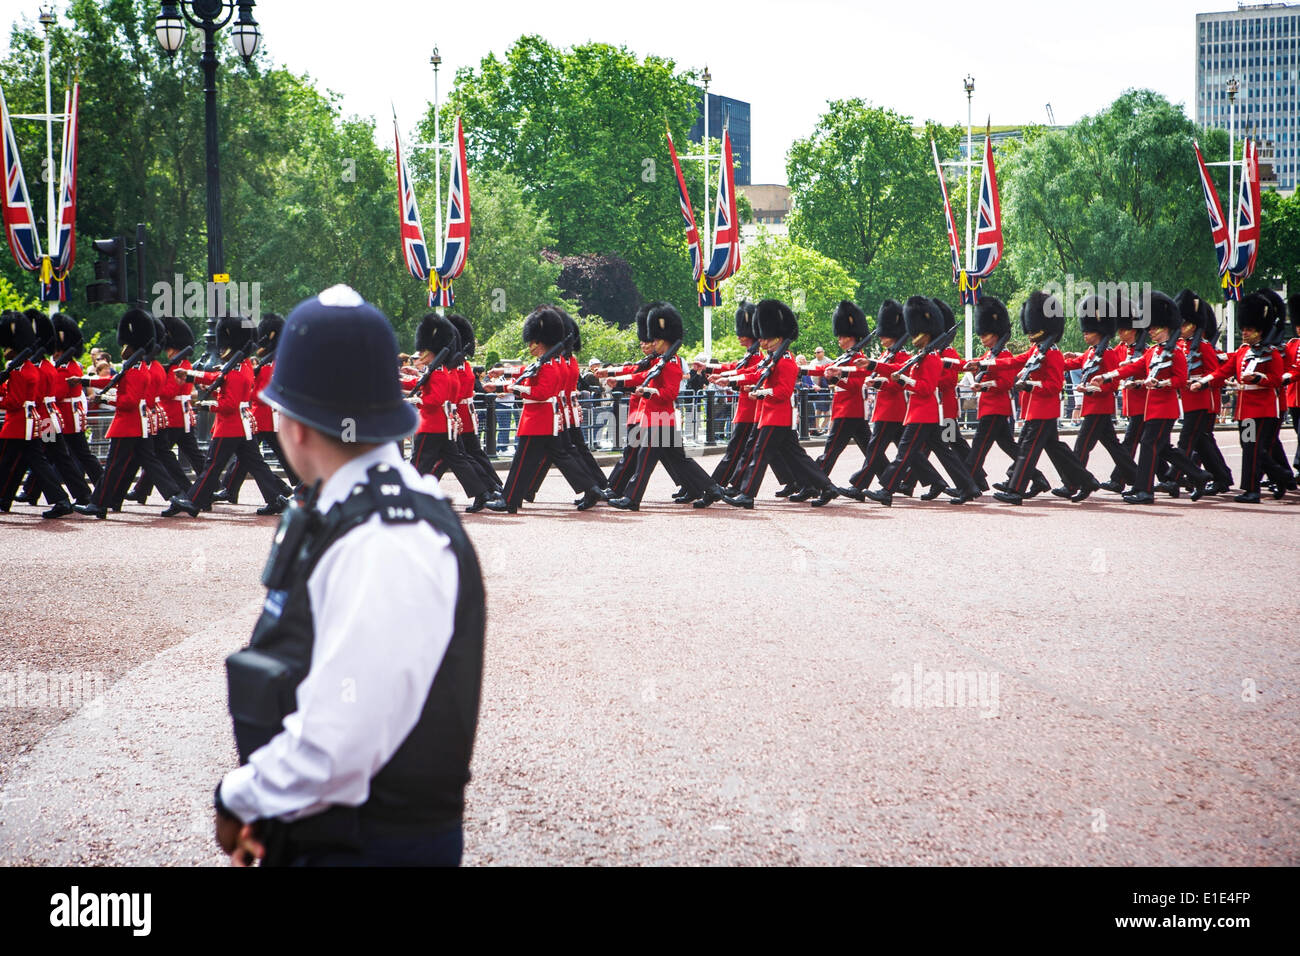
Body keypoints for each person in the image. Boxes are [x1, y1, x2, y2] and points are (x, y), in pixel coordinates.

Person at [213, 283, 484, 867]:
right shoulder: (353, 506)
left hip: (369, 842)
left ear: (299, 425)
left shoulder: (384, 533)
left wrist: (242, 798)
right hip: (331, 828)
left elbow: (339, 744)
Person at [161, 315, 292, 517]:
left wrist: (206, 405)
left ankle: (193, 501)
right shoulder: (243, 365)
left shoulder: (238, 368)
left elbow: (229, 403)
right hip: (241, 425)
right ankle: (275, 498)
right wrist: (190, 376)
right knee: (256, 465)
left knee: (212, 465)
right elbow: (218, 378)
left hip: (230, 426)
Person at [859, 297, 982, 506]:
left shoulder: (933, 357)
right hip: (926, 413)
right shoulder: (922, 355)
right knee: (945, 453)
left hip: (926, 413)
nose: (914, 335)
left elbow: (926, 388)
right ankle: (969, 486)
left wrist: (905, 380)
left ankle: (886, 489)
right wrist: (872, 364)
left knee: (906, 453)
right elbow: (896, 369)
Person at [483, 306, 606, 513]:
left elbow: (541, 392)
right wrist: (503, 379)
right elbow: (527, 372)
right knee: (562, 456)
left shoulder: (550, 364)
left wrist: (511, 387)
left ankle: (510, 500)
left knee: (522, 461)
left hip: (539, 418)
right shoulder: (549, 361)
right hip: (545, 418)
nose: (529, 346)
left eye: (532, 342)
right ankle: (591, 487)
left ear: (541, 343)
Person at [604, 303, 726, 510]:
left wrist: (648, 392)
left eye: (657, 339)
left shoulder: (671, 363)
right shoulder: (661, 361)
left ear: (666, 340)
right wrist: (619, 379)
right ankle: (712, 488)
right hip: (657, 418)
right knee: (680, 461)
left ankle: (632, 499)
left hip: (659, 419)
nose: (653, 342)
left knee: (644, 461)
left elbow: (670, 393)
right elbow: (641, 375)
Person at [1096, 292, 1212, 504]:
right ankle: (1199, 476)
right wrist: (1106, 376)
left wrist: (1160, 384)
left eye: (1154, 328)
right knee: (1164, 448)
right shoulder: (1152, 352)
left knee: (1148, 444)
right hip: (1153, 408)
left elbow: (1180, 379)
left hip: (1165, 409)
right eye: (1149, 328)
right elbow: (1133, 367)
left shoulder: (1175, 353)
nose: (1150, 331)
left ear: (1166, 327)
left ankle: (1144, 489)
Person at [72, 309, 183, 519]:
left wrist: (105, 398)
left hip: (128, 424)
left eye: (125, 345)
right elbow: (113, 382)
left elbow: (129, 400)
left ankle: (99, 504)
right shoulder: (137, 366)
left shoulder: (137, 369)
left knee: (114, 466)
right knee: (149, 462)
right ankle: (176, 495)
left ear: (132, 346)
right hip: (138, 424)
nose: (122, 348)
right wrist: (86, 381)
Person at [991, 292, 1098, 505]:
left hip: (1044, 410)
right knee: (1057, 450)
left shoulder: (1053, 354)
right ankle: (1086, 481)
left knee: (1028, 450)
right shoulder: (1037, 350)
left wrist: (1030, 385)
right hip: (1037, 410)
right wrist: (984, 364)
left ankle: (1015, 489)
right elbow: (1014, 362)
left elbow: (1055, 386)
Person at [1190, 291, 1293, 502]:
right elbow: (1223, 371)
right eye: (1244, 329)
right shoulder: (1243, 352)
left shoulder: (1271, 353)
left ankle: (1254, 489)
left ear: (1260, 331)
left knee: (1256, 448)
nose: (1245, 333)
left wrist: (1258, 379)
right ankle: (1278, 478)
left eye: (1249, 330)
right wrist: (1204, 382)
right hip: (1245, 409)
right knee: (1249, 447)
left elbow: (1276, 379)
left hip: (1264, 409)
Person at [401, 313, 492, 513]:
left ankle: (409, 498)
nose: (421, 354)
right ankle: (481, 492)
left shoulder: (440, 372)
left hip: (432, 424)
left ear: (432, 351)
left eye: (424, 350)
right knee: (458, 462)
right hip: (443, 425)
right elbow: (421, 384)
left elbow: (436, 400)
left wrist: (415, 400)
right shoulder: (441, 370)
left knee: (419, 462)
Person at [0, 311, 74, 517]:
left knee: (52, 457)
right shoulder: (39, 368)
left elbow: (20, 399)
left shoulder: (27, 370)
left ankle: (75, 495)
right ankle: (23, 495)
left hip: (33, 421)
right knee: (40, 459)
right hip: (39, 420)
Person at [1060, 294, 1137, 494]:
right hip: (1094, 408)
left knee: (1082, 446)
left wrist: (1092, 389)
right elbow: (1070, 364)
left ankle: (1072, 483)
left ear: (1100, 331)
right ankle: (1138, 479)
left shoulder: (1108, 354)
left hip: (1099, 407)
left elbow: (1113, 384)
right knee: (1115, 448)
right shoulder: (1090, 353)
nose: (1085, 333)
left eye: (1089, 330)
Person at [800, 300, 872, 482]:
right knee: (872, 452)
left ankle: (815, 483)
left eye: (842, 337)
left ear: (853, 336)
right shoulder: (845, 357)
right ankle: (890, 478)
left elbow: (855, 386)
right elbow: (824, 369)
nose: (839, 340)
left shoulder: (859, 358)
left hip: (849, 409)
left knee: (830, 451)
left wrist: (836, 378)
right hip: (848, 410)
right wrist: (802, 370)